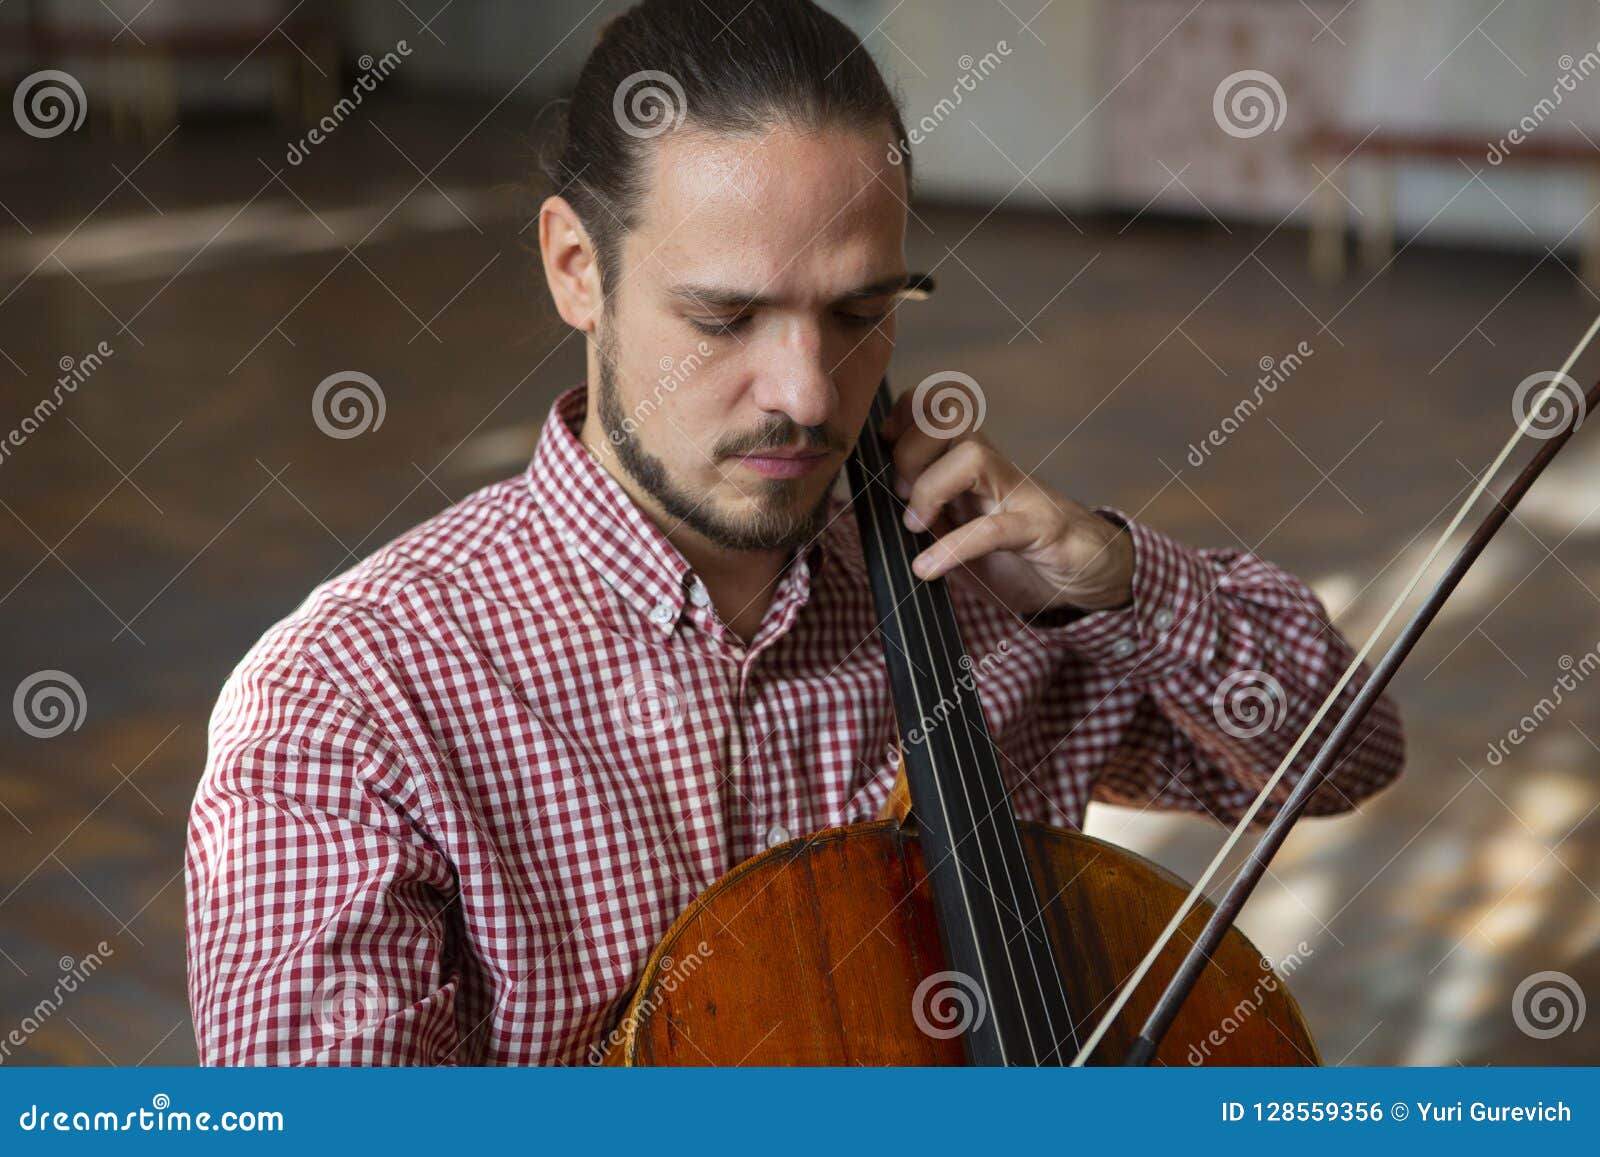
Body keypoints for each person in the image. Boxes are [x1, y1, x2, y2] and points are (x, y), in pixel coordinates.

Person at [185, 0, 1404, 1066]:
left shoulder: (989, 592)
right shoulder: (346, 704)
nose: (811, 393)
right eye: (725, 316)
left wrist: (1113, 576)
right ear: (574, 267)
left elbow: (1342, 756)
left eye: (861, 310)